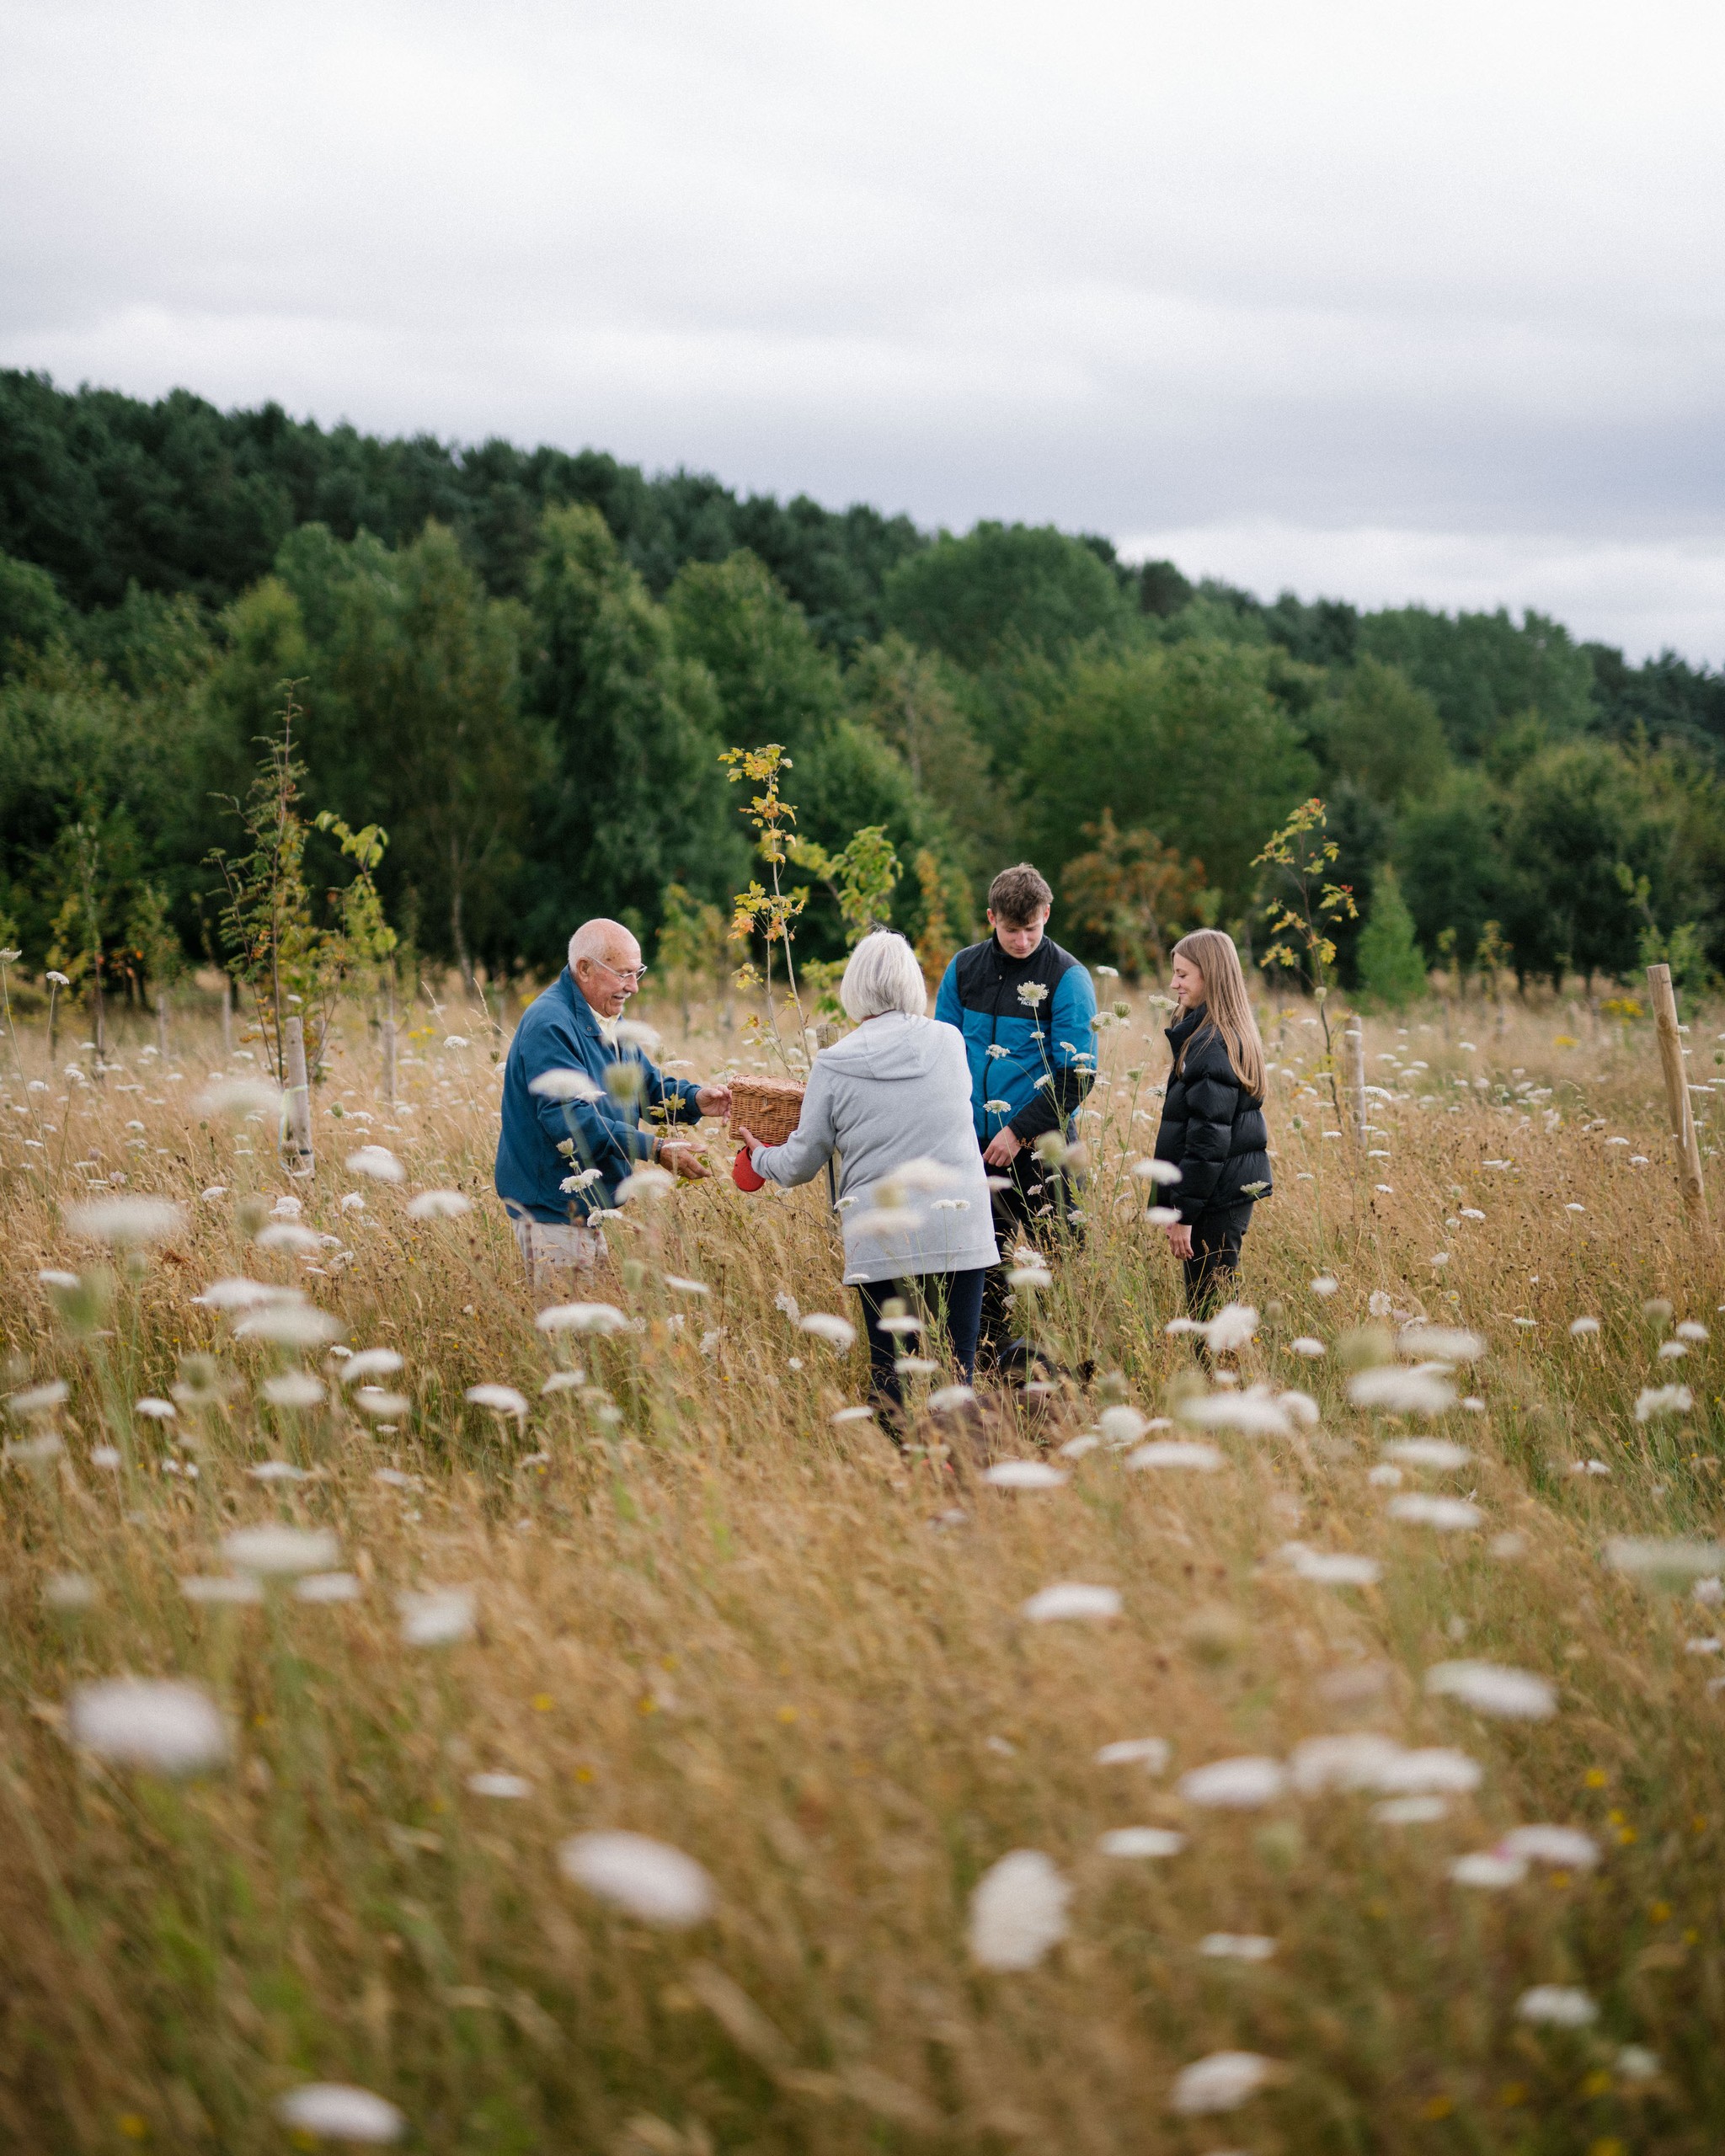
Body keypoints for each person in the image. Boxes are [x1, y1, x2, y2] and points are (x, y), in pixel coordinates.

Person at [738, 931, 998, 1414]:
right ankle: (961, 1474)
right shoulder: (949, 1040)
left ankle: (901, 1477)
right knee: (957, 1375)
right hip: (960, 1227)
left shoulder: (834, 1064)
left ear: (854, 987)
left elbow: (798, 1164)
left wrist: (758, 1157)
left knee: (892, 1375)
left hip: (882, 1236)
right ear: (911, 983)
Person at [495, 917, 732, 1296]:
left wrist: (696, 1100)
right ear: (584, 968)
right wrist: (653, 1149)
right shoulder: (550, 1023)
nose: (633, 987)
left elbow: (647, 1087)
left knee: (597, 1337)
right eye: (623, 974)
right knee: (570, 1340)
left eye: (637, 972)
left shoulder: (607, 1019)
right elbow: (568, 1119)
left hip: (588, 1209)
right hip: (552, 1211)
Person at [933, 862, 1097, 1364]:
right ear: (991, 918)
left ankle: (1068, 1366)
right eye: (1011, 930)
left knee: (1060, 1262)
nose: (1023, 940)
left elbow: (1079, 1075)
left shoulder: (1068, 976)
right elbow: (942, 1051)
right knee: (982, 1264)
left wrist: (1018, 1132)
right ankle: (992, 1368)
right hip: (973, 1147)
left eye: (1032, 929)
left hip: (1044, 1147)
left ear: (1047, 914)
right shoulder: (963, 969)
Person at [1151, 927, 1273, 1323]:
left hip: (1213, 1200)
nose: (1174, 984)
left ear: (1211, 975)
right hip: (1218, 1196)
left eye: (1183, 975)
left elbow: (1208, 1143)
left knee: (1211, 1314)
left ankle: (1225, 1383)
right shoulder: (1212, 1035)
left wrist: (1184, 1214)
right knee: (1214, 1306)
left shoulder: (1210, 1046)